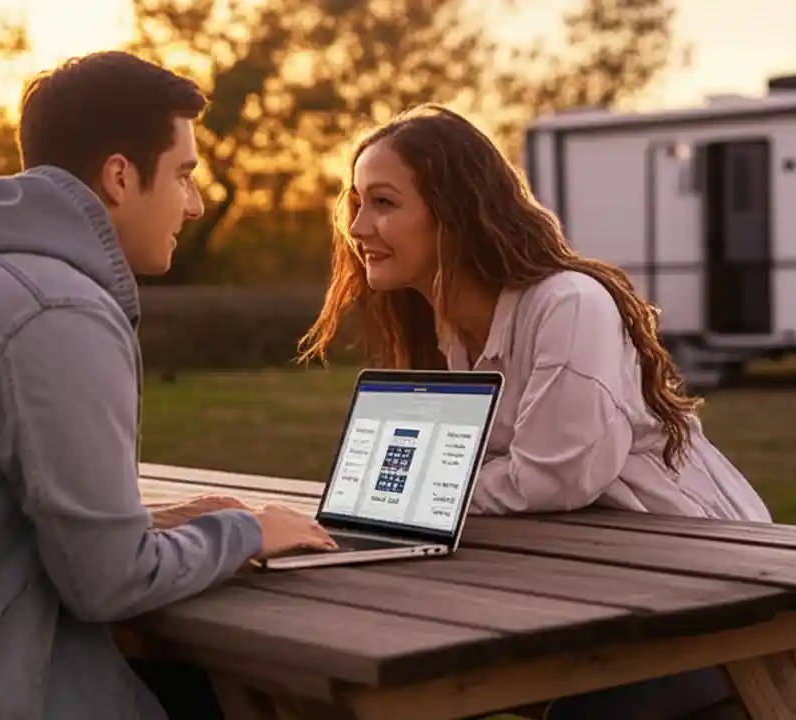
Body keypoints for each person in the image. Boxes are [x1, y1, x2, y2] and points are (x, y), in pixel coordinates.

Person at [0, 51, 335, 719]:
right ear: (119, 176)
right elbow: (110, 582)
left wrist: (148, 524)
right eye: (183, 175)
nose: (196, 204)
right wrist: (249, 533)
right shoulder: (59, 308)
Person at [299, 104, 771, 719]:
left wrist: (435, 491)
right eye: (356, 203)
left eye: (384, 203)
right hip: (594, 578)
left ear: (455, 214)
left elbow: (557, 477)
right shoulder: (446, 331)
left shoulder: (566, 304)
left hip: (710, 589)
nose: (358, 226)